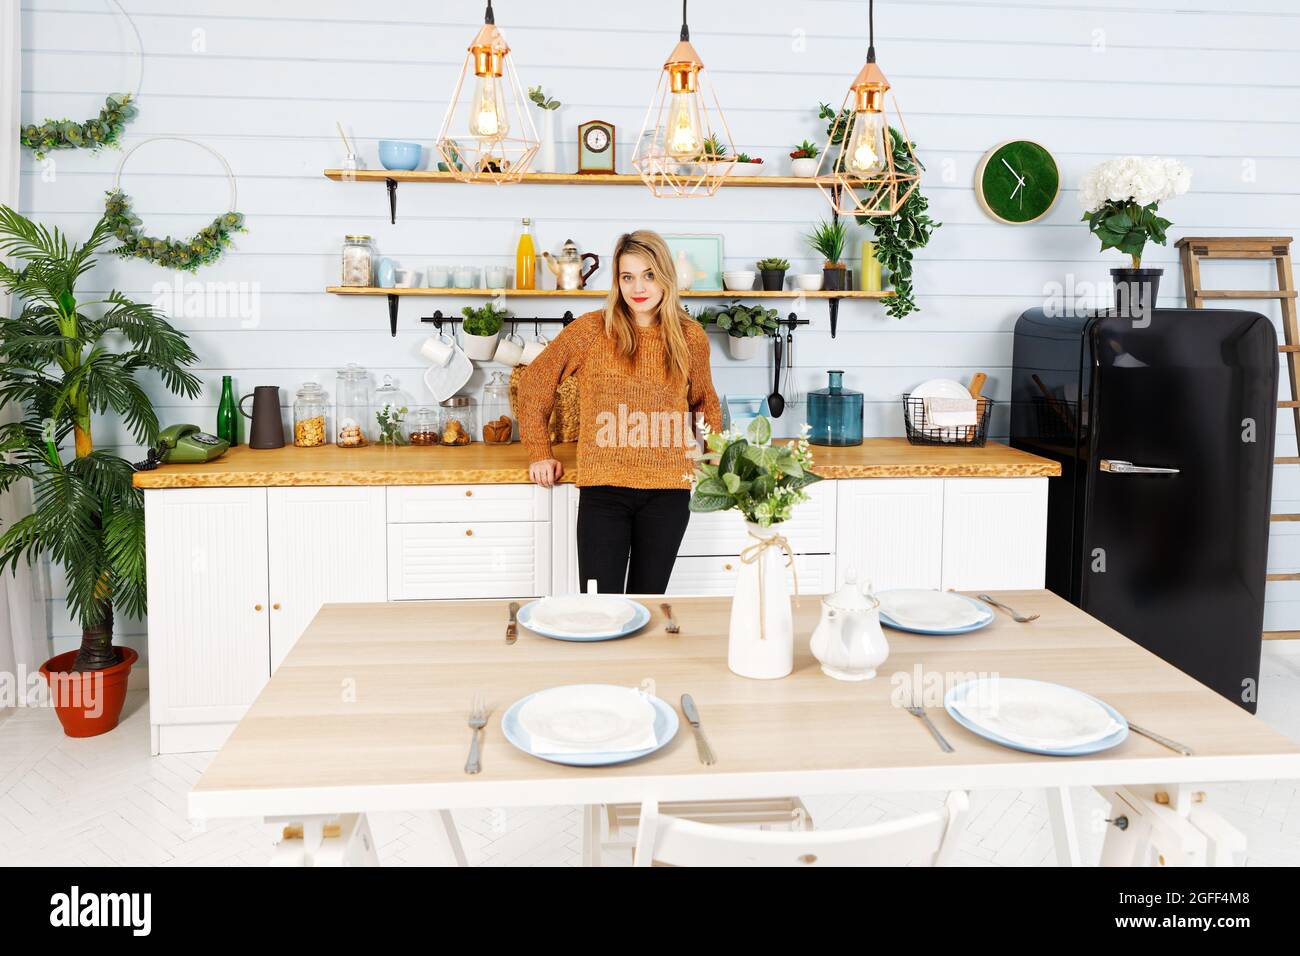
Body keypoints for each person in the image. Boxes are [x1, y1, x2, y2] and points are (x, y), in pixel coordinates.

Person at [517, 229, 721, 594]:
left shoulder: (689, 337)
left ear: (665, 276)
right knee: (599, 606)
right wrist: (539, 451)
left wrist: (714, 458)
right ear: (617, 280)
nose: (637, 287)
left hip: (668, 492)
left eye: (648, 275)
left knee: (647, 604)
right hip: (604, 491)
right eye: (627, 277)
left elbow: (704, 403)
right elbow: (535, 381)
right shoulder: (591, 330)